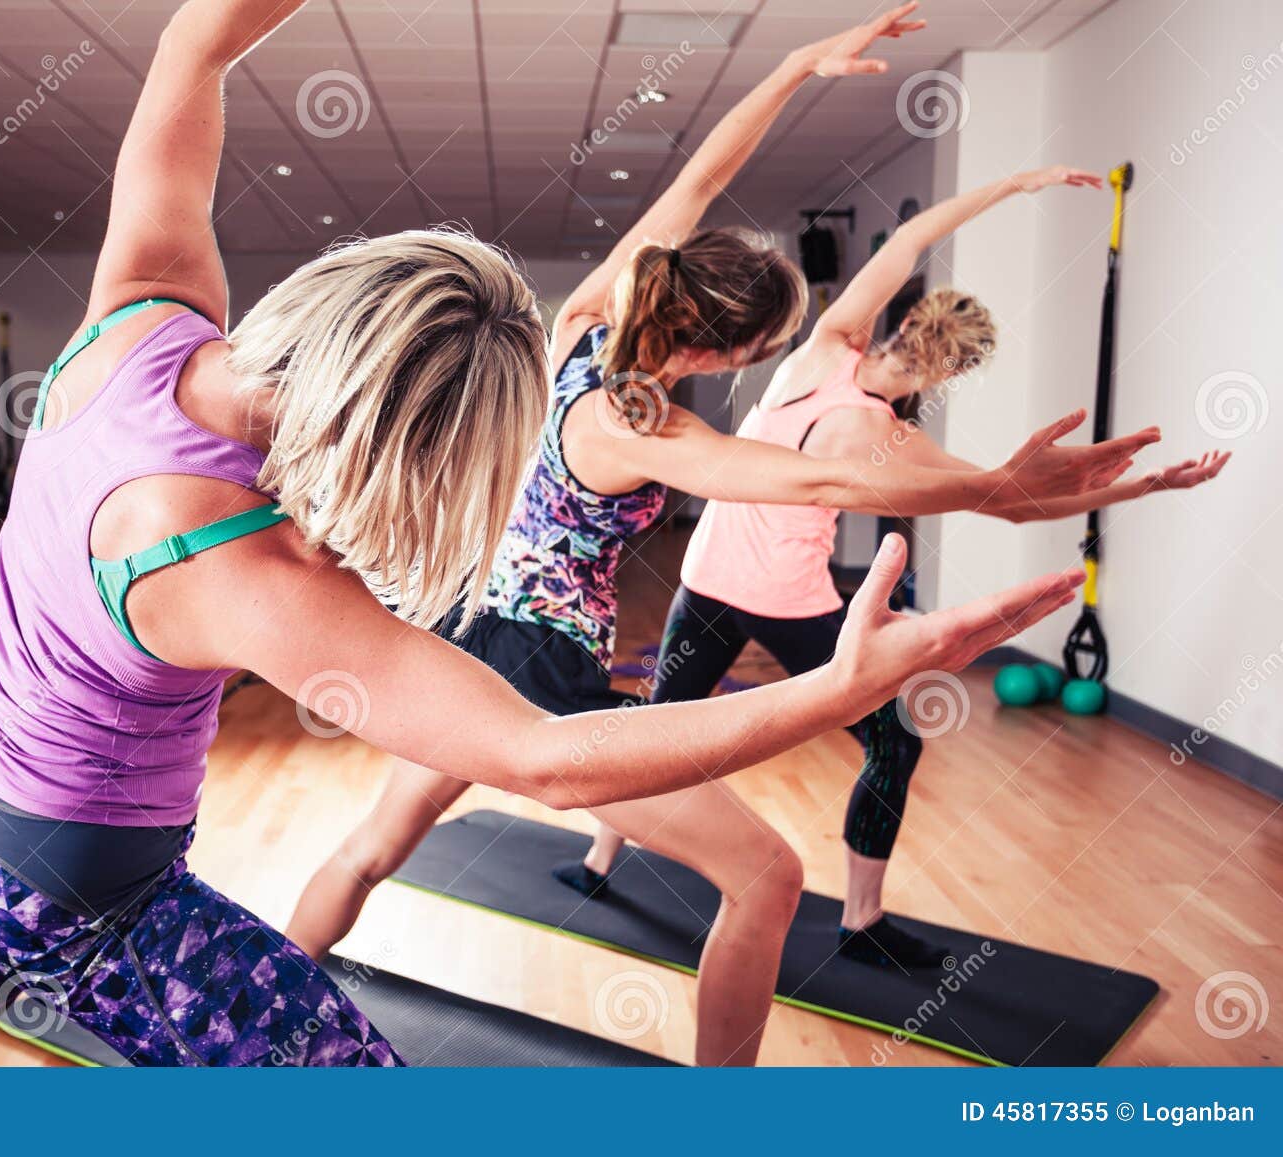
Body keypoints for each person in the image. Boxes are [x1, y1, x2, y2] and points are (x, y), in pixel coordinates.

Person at [0, 0, 1119, 1070]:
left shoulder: (141, 315)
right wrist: (842, 682)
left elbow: (196, 43)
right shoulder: (232, 559)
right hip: (83, 901)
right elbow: (545, 758)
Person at [285, 6, 1162, 1067]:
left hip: (461, 638)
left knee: (376, 846)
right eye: (772, 343)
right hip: (543, 676)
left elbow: (695, 181)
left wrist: (796, 67)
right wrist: (996, 487)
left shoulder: (580, 328)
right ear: (723, 347)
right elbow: (826, 473)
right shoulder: (647, 427)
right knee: (766, 875)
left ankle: (263, 1013)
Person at [562, 165, 1230, 971]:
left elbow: (914, 238)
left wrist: (1018, 184)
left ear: (903, 320)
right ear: (950, 372)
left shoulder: (824, 350)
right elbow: (1011, 502)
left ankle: (597, 866)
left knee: (653, 723)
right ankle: (861, 919)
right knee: (893, 745)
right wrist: (1145, 486)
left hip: (708, 574)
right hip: (792, 600)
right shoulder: (899, 441)